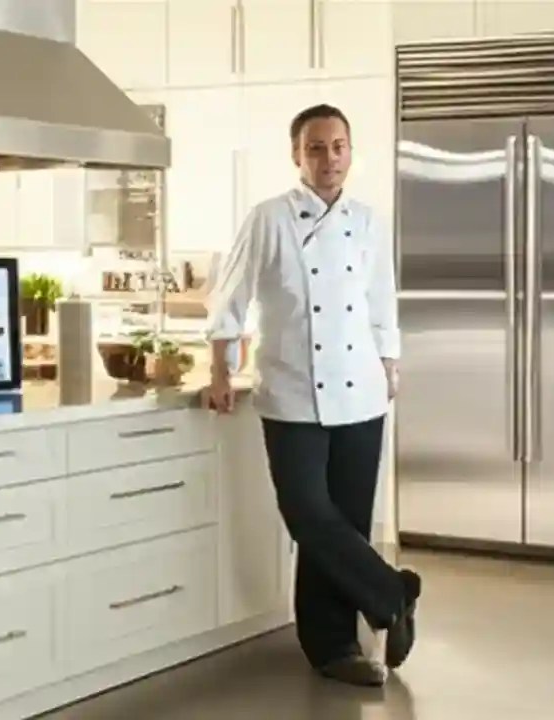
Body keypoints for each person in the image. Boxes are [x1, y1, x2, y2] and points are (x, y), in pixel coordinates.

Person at [202, 104, 421, 687]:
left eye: (339, 146)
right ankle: (391, 593)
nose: (330, 158)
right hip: (293, 391)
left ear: (352, 151)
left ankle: (333, 648)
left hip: (362, 393)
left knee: (346, 522)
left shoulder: (369, 221)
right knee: (306, 513)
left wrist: (390, 360)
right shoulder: (269, 218)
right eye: (317, 148)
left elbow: (382, 300)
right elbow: (231, 298)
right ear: (296, 155)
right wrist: (222, 370)